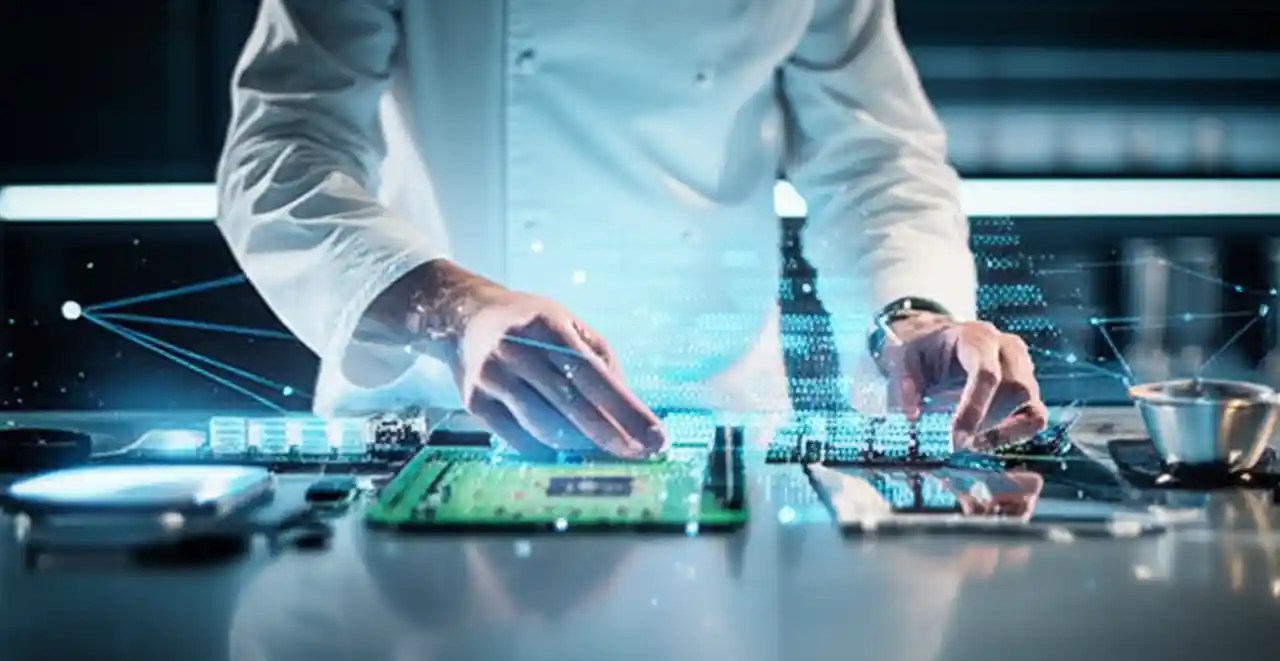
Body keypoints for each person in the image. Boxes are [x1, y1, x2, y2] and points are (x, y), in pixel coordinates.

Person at [216, 0, 1047, 458]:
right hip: (438, 414)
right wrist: (456, 310)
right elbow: (280, 155)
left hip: (713, 425)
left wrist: (911, 319)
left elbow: (874, 160)